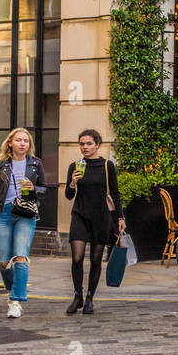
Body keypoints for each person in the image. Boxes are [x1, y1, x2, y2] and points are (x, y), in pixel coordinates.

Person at [0, 128, 48, 319]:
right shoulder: (0, 164)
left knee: (20, 257)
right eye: (18, 140)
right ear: (10, 143)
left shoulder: (35, 164)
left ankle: (16, 301)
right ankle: (13, 289)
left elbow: (44, 189)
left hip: (25, 213)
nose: (23, 143)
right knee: (3, 261)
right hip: (3, 214)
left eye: (26, 140)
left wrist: (35, 189)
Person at [64, 129, 124, 316]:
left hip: (101, 217)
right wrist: (72, 183)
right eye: (82, 144)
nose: (85, 147)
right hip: (80, 215)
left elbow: (115, 193)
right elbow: (68, 195)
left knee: (96, 259)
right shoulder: (75, 166)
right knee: (77, 258)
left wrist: (120, 218)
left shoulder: (107, 166)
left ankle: (90, 298)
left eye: (89, 143)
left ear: (97, 144)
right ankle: (77, 296)